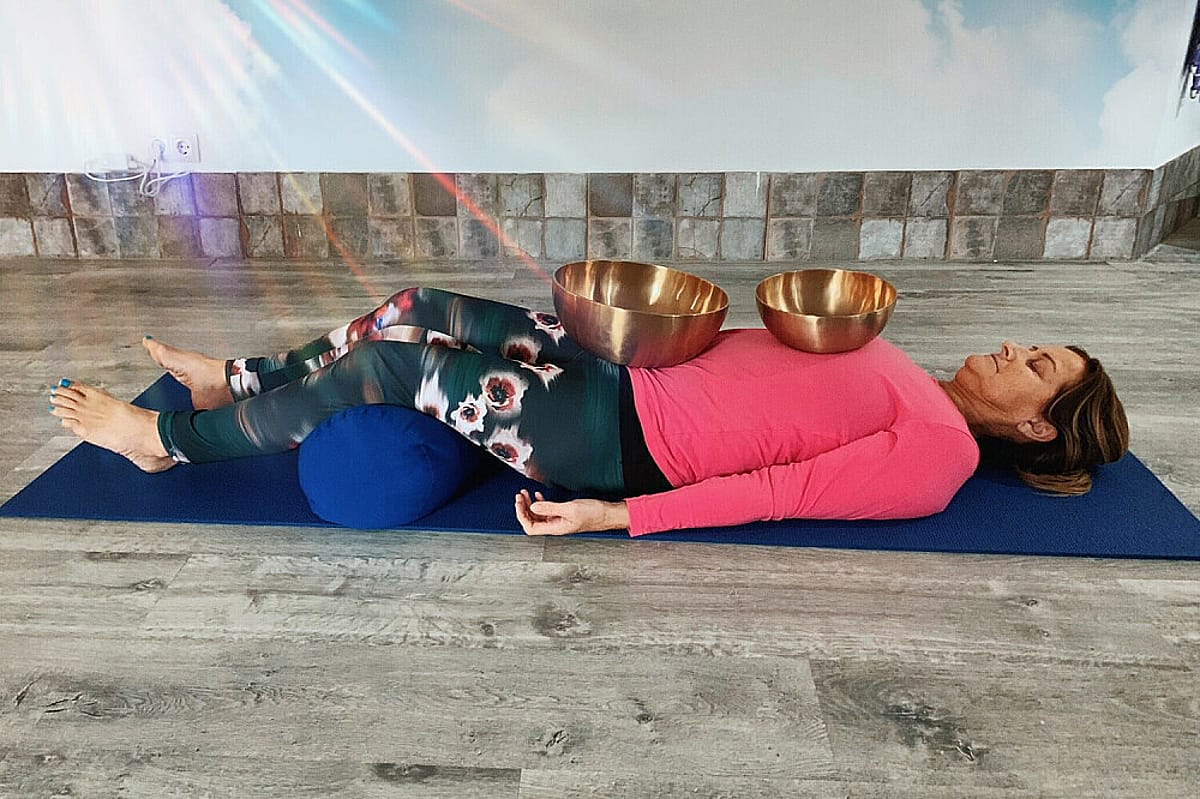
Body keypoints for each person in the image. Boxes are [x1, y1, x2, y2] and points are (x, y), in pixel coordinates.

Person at [47, 287, 1129, 537]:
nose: (1009, 349)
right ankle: (234, 382)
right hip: (629, 375)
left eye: (1036, 366)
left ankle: (164, 443)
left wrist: (623, 517)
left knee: (393, 370)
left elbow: (785, 491)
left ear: (1036, 424)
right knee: (418, 305)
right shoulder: (898, 355)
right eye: (1030, 341)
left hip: (624, 442)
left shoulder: (936, 452)